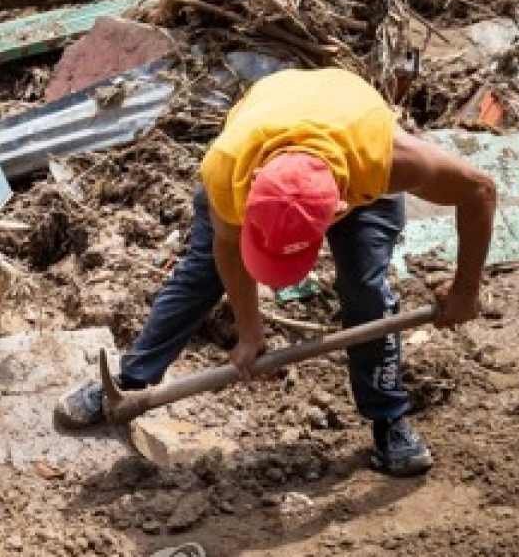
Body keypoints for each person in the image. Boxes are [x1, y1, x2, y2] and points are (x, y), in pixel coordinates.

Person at [54, 68, 496, 477]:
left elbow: (479, 190)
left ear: (340, 210)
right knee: (199, 273)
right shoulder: (228, 171)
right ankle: (129, 385)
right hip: (268, 130)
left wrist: (465, 289)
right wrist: (250, 333)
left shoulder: (389, 162)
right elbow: (227, 251)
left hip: (351, 141)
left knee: (365, 287)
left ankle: (388, 420)